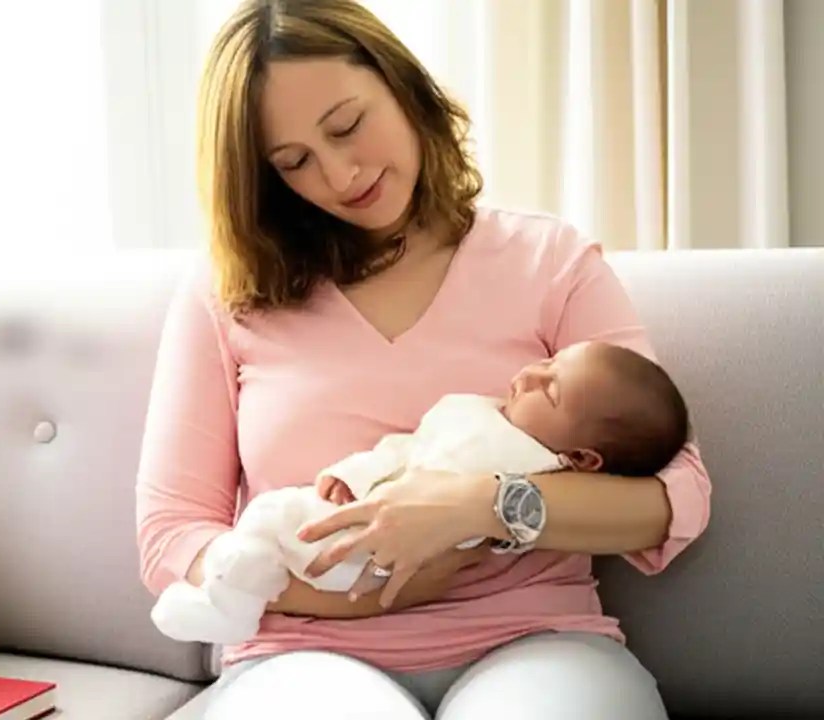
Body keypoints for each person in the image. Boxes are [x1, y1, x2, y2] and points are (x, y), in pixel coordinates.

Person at [134, 0, 712, 718]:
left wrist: (484, 505)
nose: (341, 174)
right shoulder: (228, 296)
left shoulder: (548, 261)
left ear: (401, 84)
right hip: (303, 658)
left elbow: (674, 496)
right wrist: (370, 594)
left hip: (534, 641)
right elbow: (172, 535)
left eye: (347, 125)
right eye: (294, 162)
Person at [148, 340, 691, 647]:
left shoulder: (546, 468)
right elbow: (404, 448)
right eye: (543, 364)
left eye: (550, 387)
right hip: (331, 583)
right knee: (270, 518)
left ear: (583, 459)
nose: (527, 376)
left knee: (272, 529)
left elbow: (671, 498)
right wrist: (354, 476)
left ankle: (235, 595)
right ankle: (234, 600)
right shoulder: (471, 410)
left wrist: (479, 510)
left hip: (524, 633)